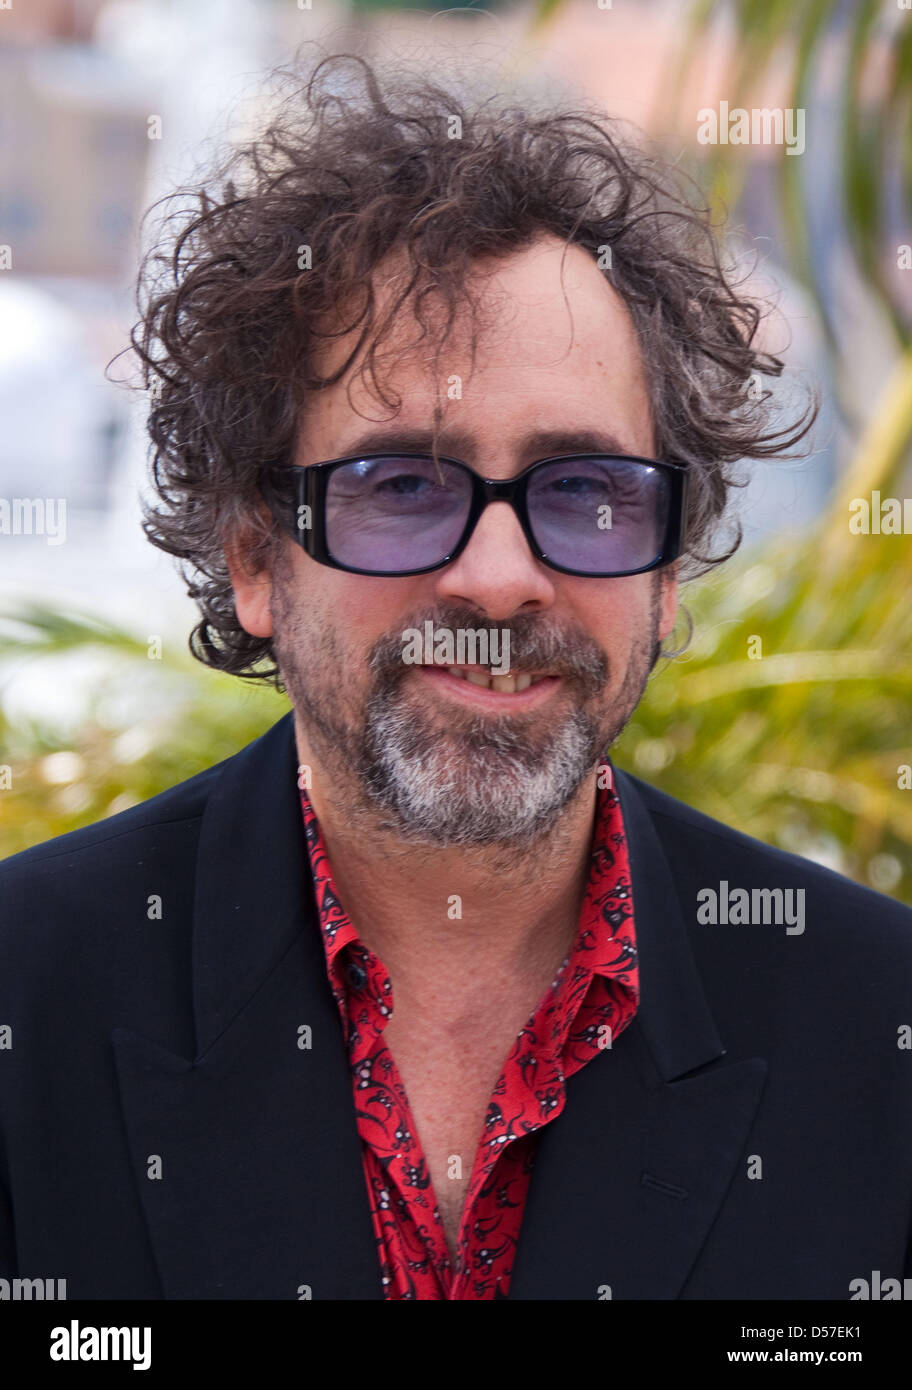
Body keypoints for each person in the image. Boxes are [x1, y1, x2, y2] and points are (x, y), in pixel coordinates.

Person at [1, 53, 910, 1303]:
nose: (498, 580)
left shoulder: (876, 1025)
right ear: (258, 557)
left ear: (667, 574)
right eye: (404, 487)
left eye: (583, 489)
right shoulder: (27, 999)